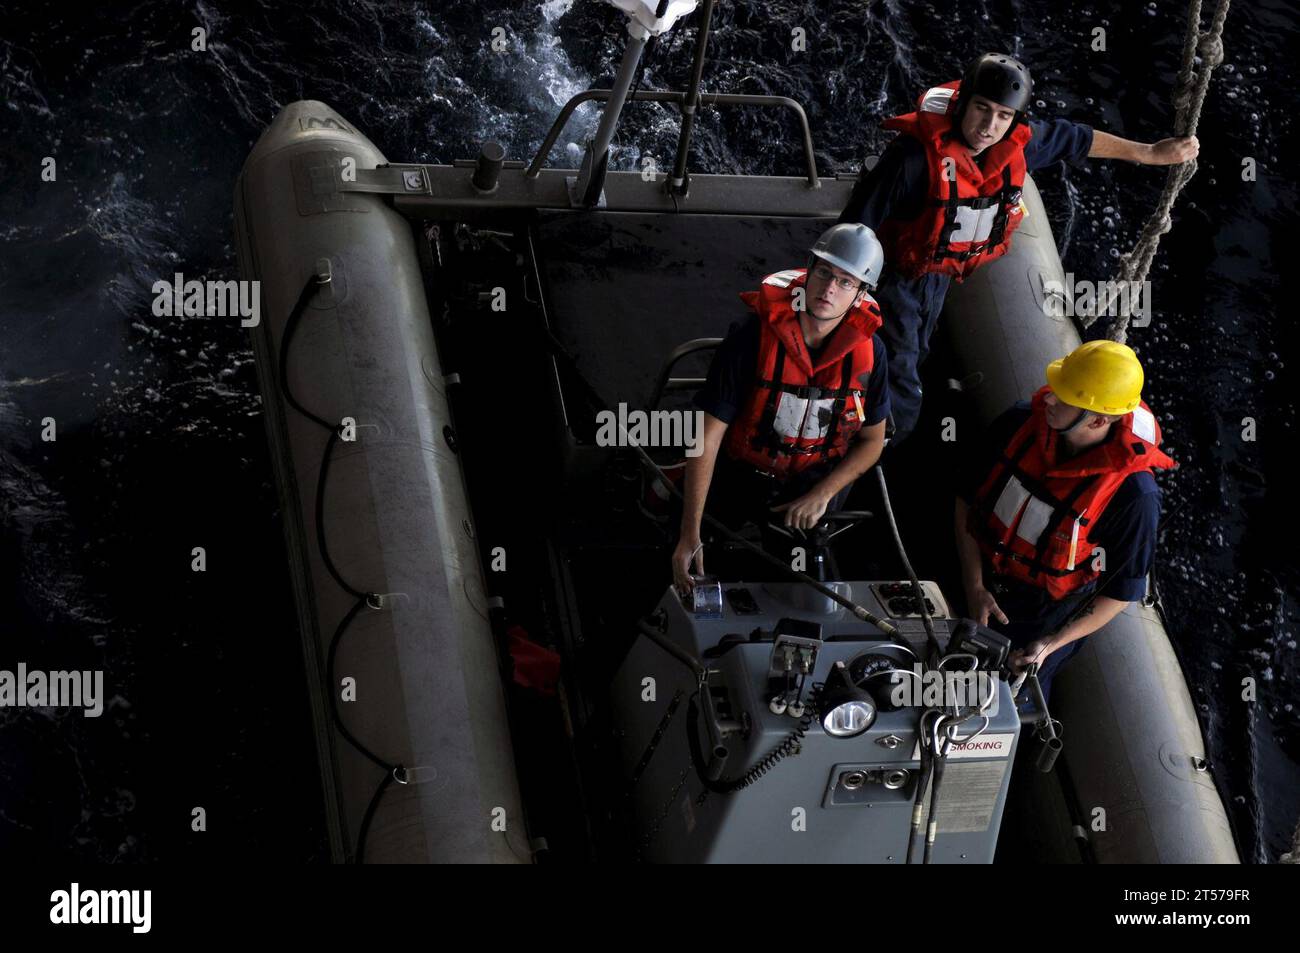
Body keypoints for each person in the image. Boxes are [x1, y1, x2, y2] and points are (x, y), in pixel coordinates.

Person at [840, 53, 1200, 440]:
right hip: (896, 277)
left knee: (917, 349)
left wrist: (1149, 154)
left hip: (938, 277)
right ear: (962, 104)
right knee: (901, 381)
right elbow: (855, 229)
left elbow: (1077, 139)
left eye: (1002, 116)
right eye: (981, 109)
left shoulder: (1016, 146)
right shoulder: (910, 160)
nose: (988, 126)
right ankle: (875, 446)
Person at [671, 224, 892, 594]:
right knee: (688, 565)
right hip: (739, 472)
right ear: (809, 269)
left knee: (807, 593)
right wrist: (689, 531)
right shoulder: (750, 337)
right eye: (823, 272)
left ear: (860, 293)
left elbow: (873, 440)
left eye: (845, 281)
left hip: (809, 486)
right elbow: (706, 439)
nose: (829, 289)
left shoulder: (872, 354)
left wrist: (823, 492)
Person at [953, 341, 1176, 702]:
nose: (1050, 401)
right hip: (972, 570)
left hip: (1036, 619)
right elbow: (966, 497)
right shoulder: (1019, 423)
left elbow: (1120, 593)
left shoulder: (1135, 497)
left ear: (1100, 420)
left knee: (1002, 708)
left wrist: (1049, 646)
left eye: (1065, 398)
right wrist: (974, 585)